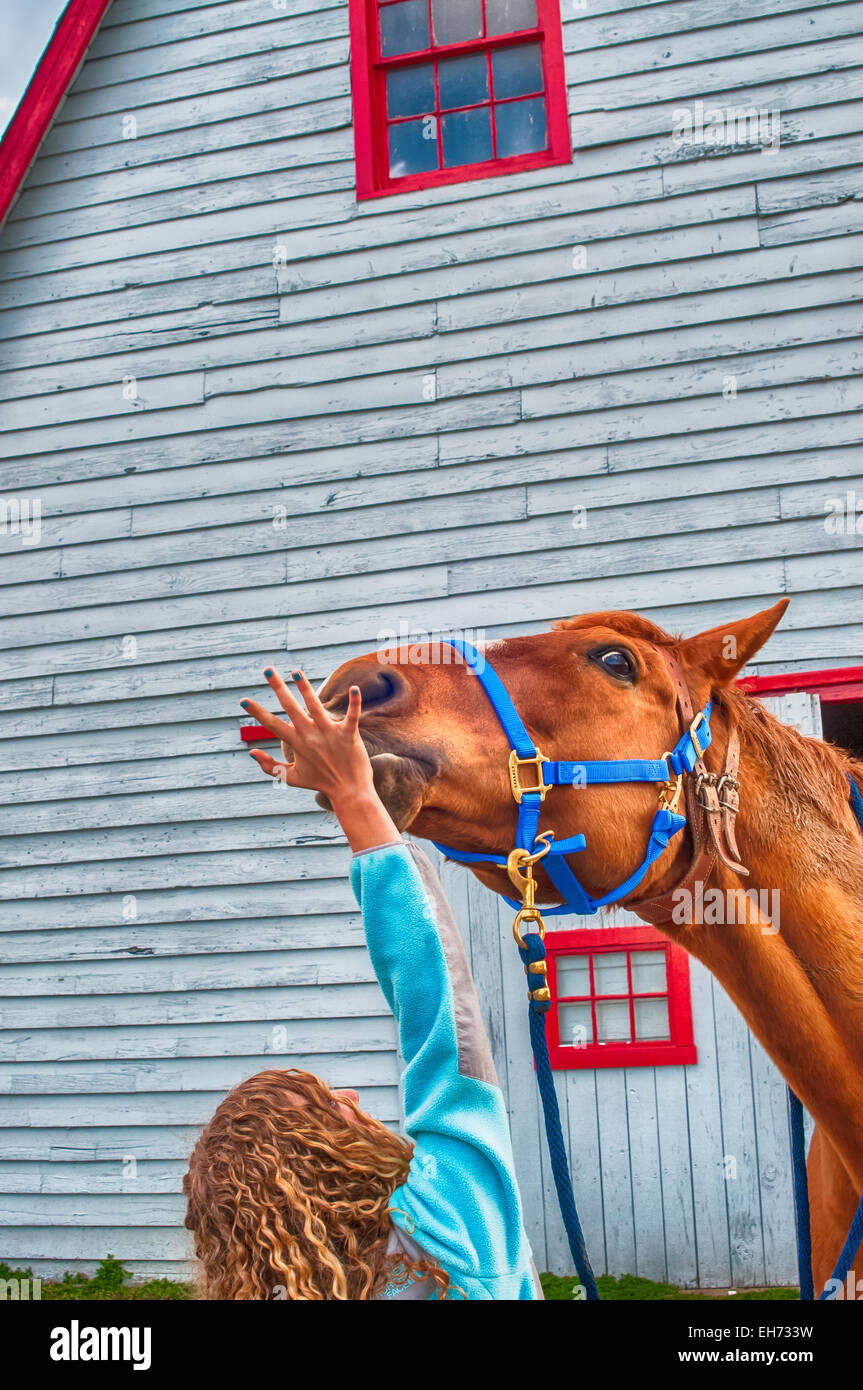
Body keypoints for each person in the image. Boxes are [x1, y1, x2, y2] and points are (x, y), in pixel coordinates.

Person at [182, 666, 542, 1301]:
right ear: (317, 1161)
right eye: (327, 1106)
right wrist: (355, 796)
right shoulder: (445, 1236)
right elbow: (438, 1013)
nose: (349, 1094)